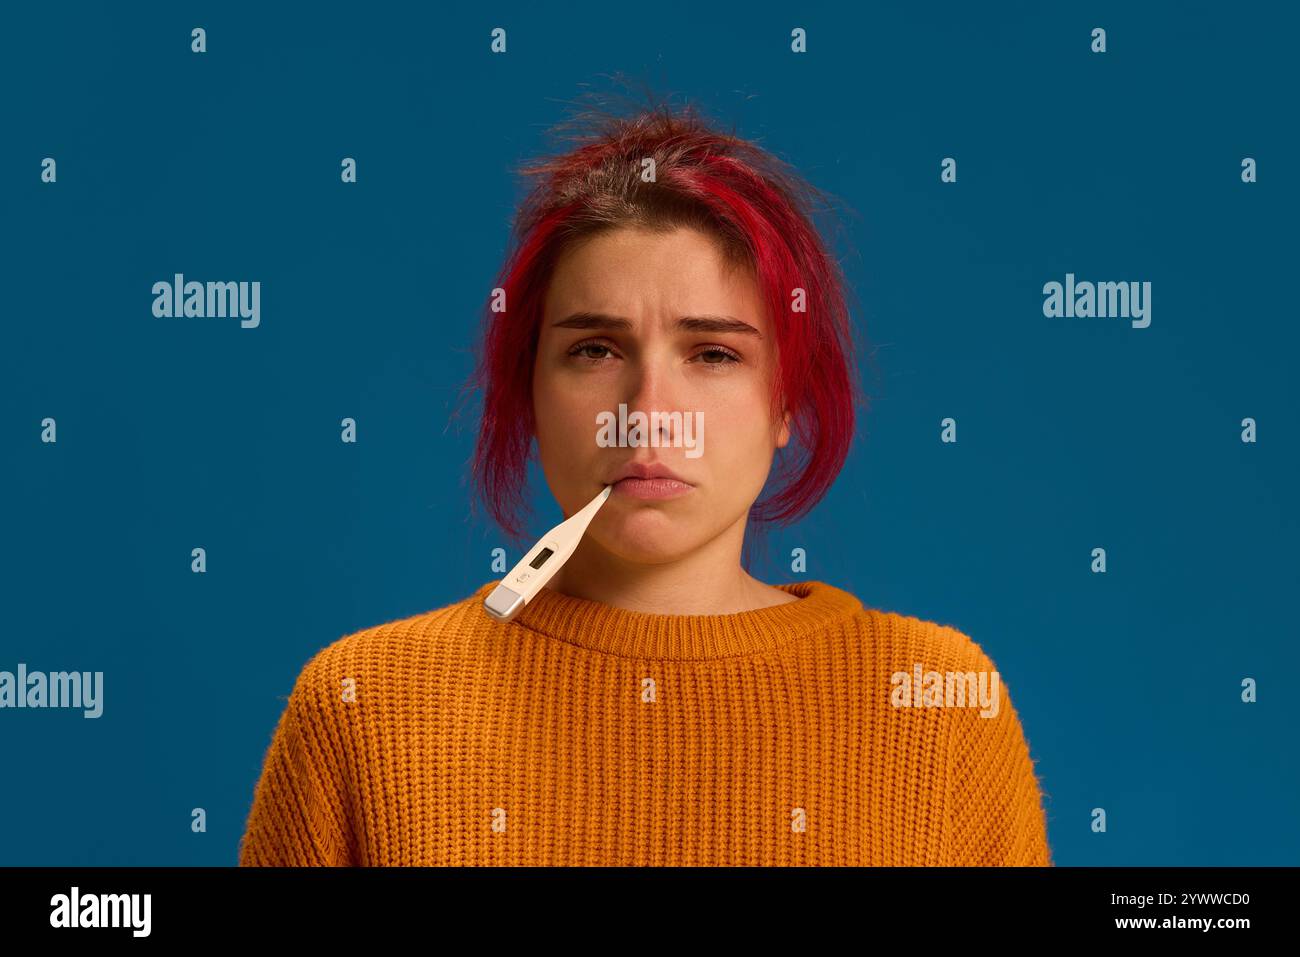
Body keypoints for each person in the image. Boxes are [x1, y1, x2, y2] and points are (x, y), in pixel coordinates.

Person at [238, 96, 1052, 866]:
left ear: (788, 403)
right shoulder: (362, 707)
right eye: (595, 349)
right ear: (529, 387)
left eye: (713, 354)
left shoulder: (941, 708)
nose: (650, 412)